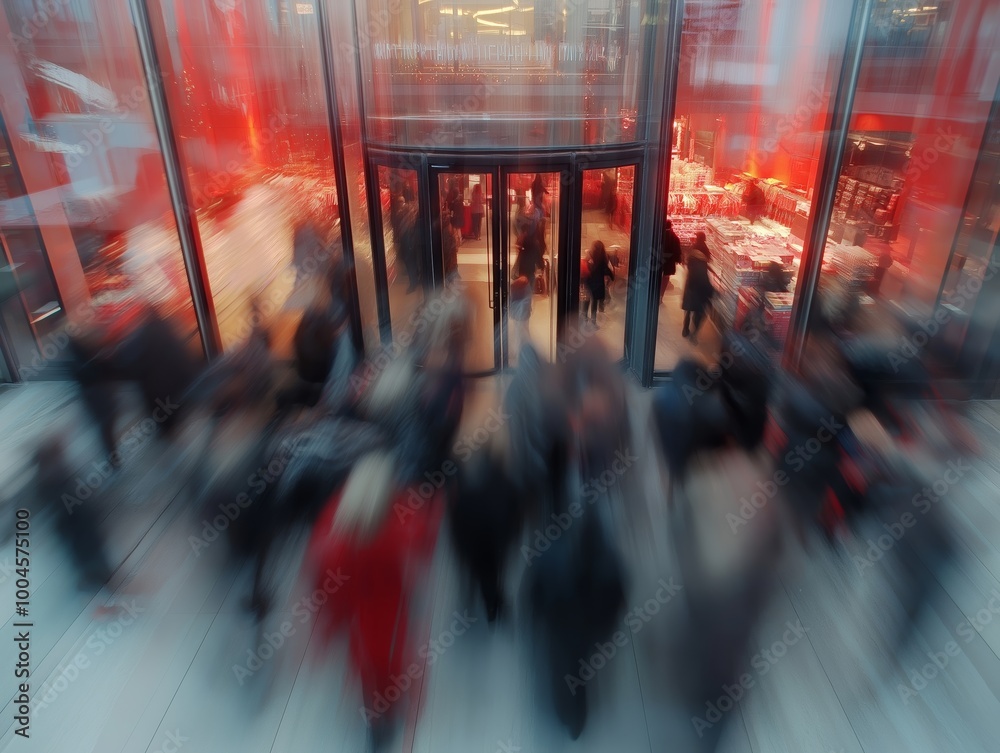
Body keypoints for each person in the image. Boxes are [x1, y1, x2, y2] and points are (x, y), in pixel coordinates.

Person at [681, 232, 715, 343]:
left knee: (688, 310)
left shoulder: (693, 249)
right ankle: (694, 333)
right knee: (699, 312)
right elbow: (704, 281)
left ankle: (685, 329)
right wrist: (712, 292)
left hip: (690, 287)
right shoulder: (702, 262)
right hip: (699, 293)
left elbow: (687, 261)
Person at [582, 240, 615, 325]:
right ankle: (593, 319)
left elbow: (585, 266)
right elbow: (606, 270)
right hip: (598, 283)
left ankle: (585, 316)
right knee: (595, 302)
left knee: (587, 299)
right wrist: (612, 276)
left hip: (589, 281)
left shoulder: (589, 255)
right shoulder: (602, 258)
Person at [659, 219, 682, 302]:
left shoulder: (659, 235)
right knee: (665, 277)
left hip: (659, 260)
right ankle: (661, 295)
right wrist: (678, 260)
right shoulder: (674, 237)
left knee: (658, 276)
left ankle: (656, 293)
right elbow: (677, 250)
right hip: (669, 262)